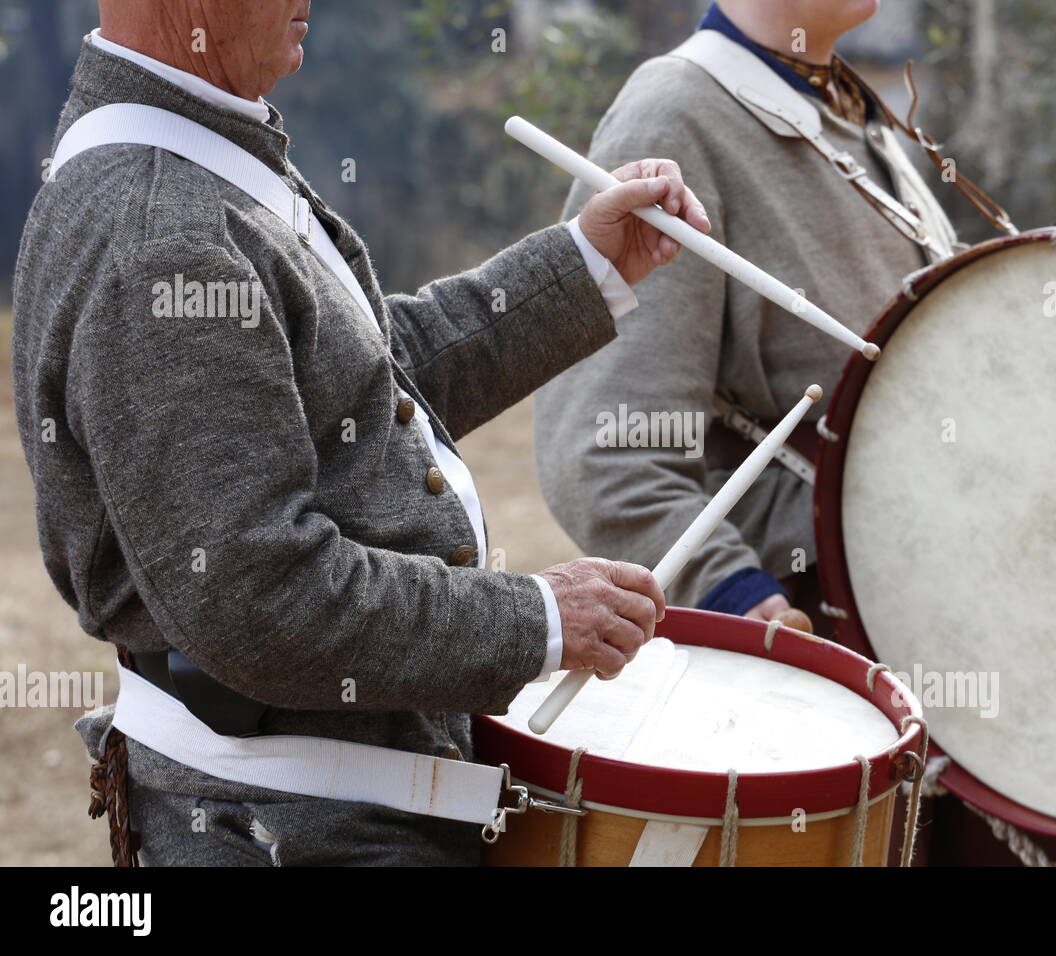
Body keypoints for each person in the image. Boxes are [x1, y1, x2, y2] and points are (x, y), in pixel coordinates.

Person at [11, 0, 710, 866]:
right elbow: (258, 596)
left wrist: (584, 265)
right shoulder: (167, 236)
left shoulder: (194, 153)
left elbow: (363, 391)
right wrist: (535, 620)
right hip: (300, 827)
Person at [533, 0, 1056, 866]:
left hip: (962, 665)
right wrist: (741, 603)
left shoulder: (849, 107)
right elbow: (607, 452)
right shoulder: (675, 113)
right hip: (836, 700)